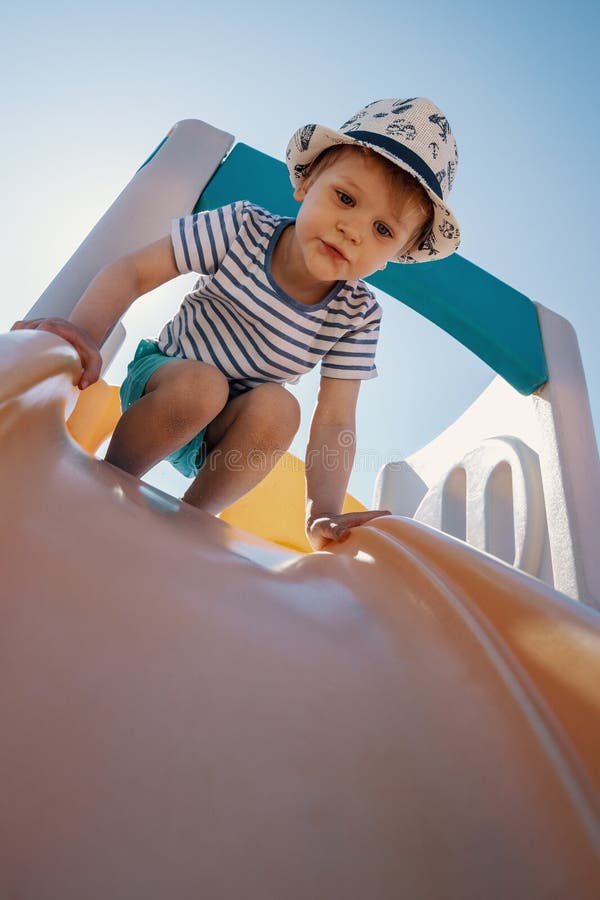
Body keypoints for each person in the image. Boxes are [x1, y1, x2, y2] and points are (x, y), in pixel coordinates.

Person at [12, 97, 460, 550]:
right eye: (345, 198)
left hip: (227, 438)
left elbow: (335, 420)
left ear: (394, 257)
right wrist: (85, 335)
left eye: (383, 230)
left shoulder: (357, 314)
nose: (354, 230)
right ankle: (109, 477)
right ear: (305, 183)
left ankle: (189, 522)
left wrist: (323, 510)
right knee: (201, 387)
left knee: (282, 409)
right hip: (164, 384)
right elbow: (134, 271)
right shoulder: (245, 227)